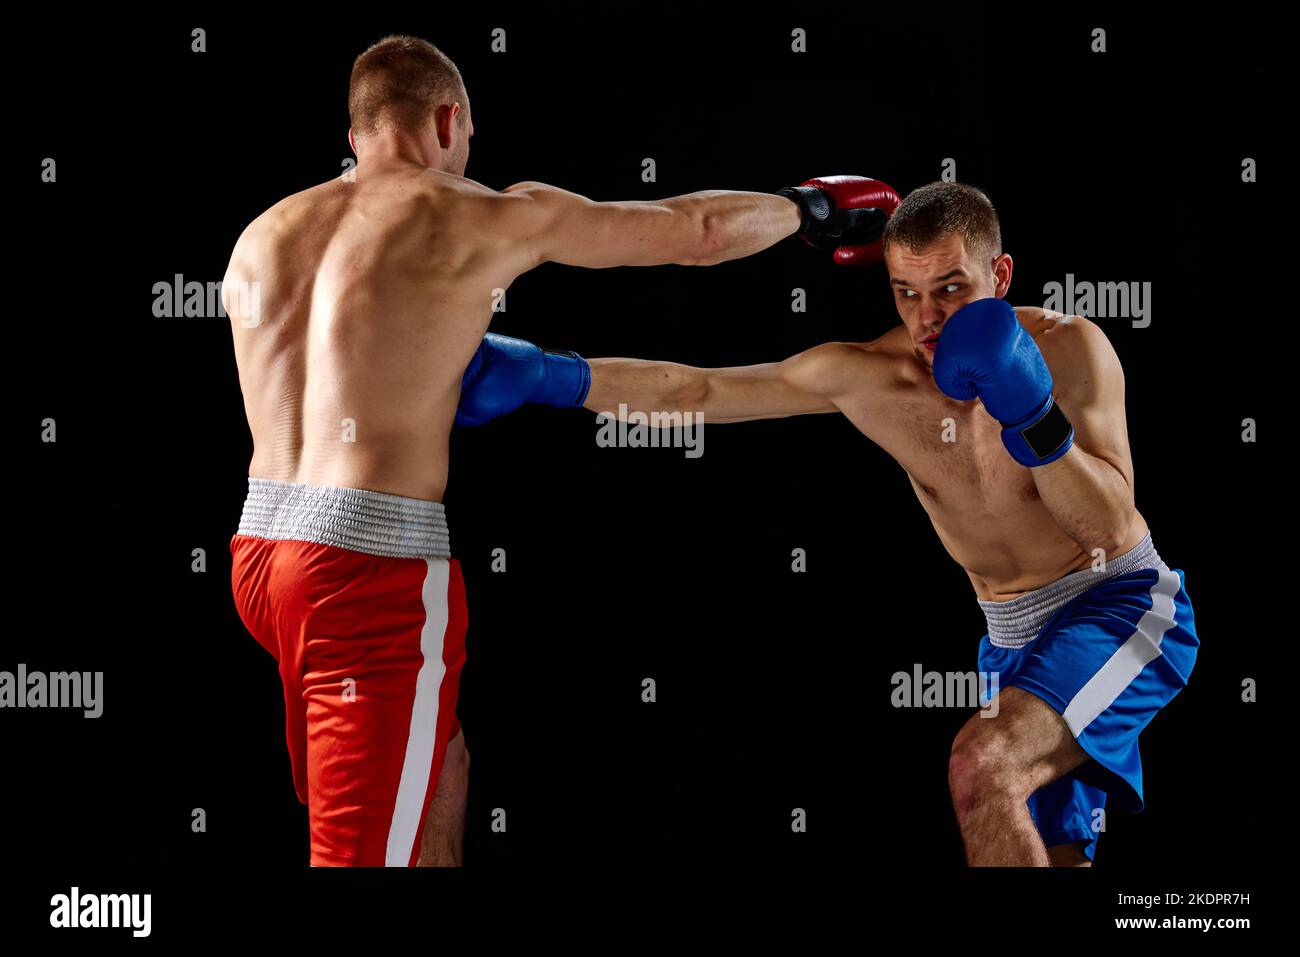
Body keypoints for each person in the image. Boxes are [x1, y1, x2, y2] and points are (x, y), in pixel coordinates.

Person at [223, 33, 894, 866]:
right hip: (366, 576)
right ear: (446, 121)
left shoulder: (264, 232)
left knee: (440, 767)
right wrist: (811, 209)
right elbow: (698, 230)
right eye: (465, 142)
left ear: (356, 131)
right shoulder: (476, 210)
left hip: (260, 559)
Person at [459, 181, 1198, 866]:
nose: (928, 320)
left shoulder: (1071, 348)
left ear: (1000, 277)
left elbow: (1110, 529)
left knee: (984, 762)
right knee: (1041, 839)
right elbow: (700, 388)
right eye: (906, 293)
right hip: (1009, 635)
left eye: (951, 289)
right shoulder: (867, 376)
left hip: (1120, 604)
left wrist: (1033, 415)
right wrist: (556, 377)